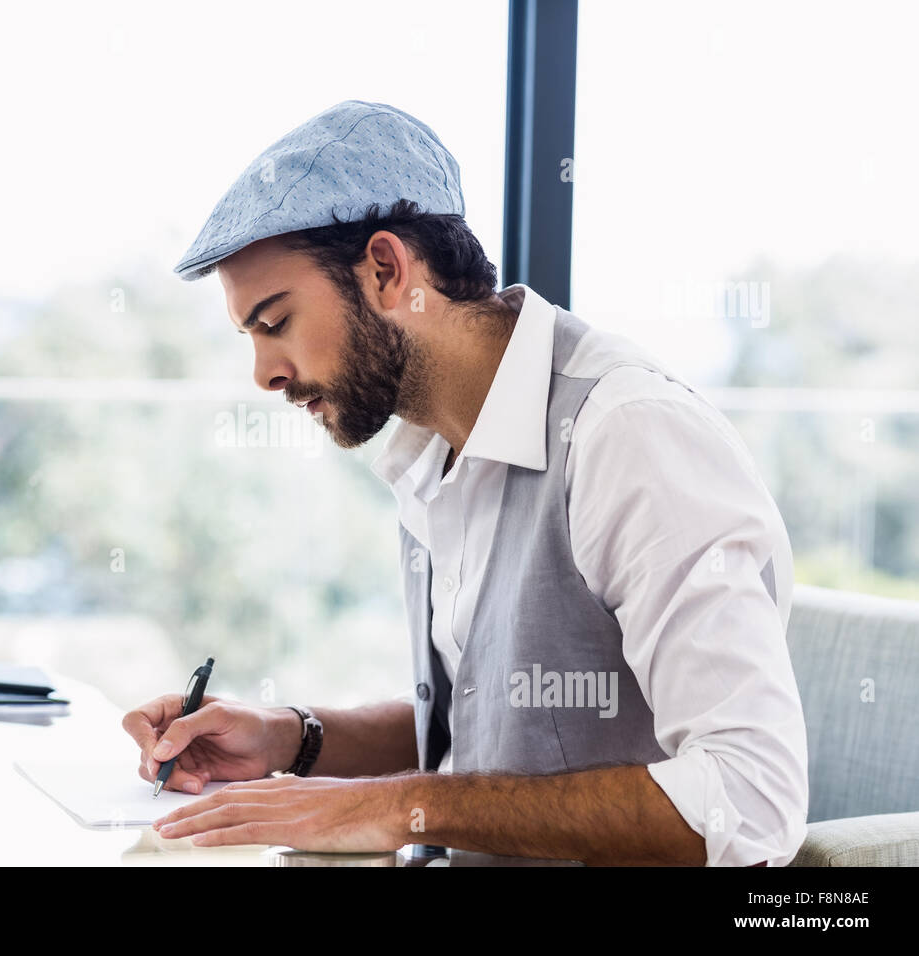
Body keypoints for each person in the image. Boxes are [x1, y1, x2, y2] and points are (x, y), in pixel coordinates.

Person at [121, 101, 808, 865]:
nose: (265, 376)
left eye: (275, 322)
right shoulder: (430, 449)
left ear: (386, 270)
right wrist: (292, 737)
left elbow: (749, 803)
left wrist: (397, 807)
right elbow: (489, 737)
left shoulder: (625, 433)